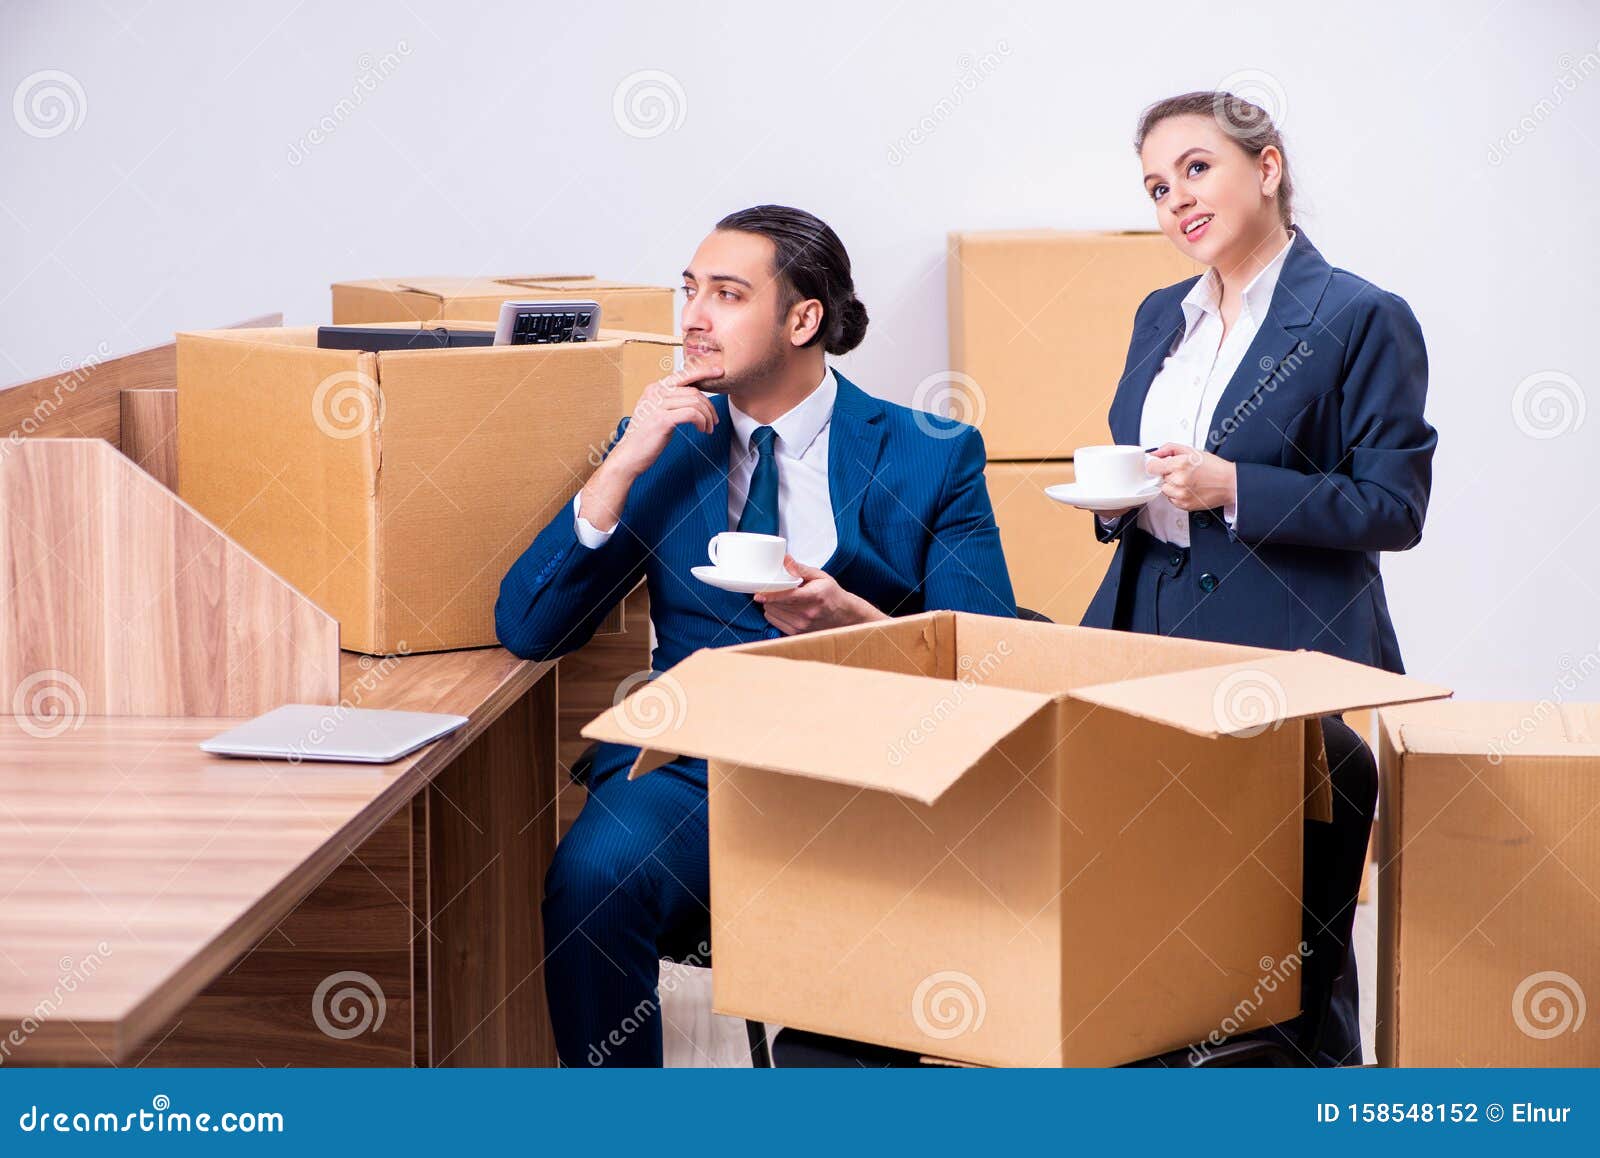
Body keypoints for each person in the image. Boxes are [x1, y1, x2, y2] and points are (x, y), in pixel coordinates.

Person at [495, 204, 1016, 1066]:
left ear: (803, 318)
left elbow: (994, 661)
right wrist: (622, 463)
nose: (694, 317)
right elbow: (529, 628)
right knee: (592, 877)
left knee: (856, 1021)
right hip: (696, 776)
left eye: (728, 295)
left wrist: (860, 621)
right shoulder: (665, 446)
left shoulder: (933, 452)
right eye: (690, 291)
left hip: (870, 776)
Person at [1080, 92, 1436, 1065]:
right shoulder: (1163, 315)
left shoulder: (1358, 317)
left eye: (1195, 169)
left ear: (1267, 167)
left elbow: (1391, 506)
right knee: (1158, 920)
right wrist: (1113, 497)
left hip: (1280, 647)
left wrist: (1234, 485)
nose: (1175, 200)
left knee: (1283, 938)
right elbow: (1141, 469)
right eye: (1157, 186)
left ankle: (1317, 1098)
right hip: (1144, 642)